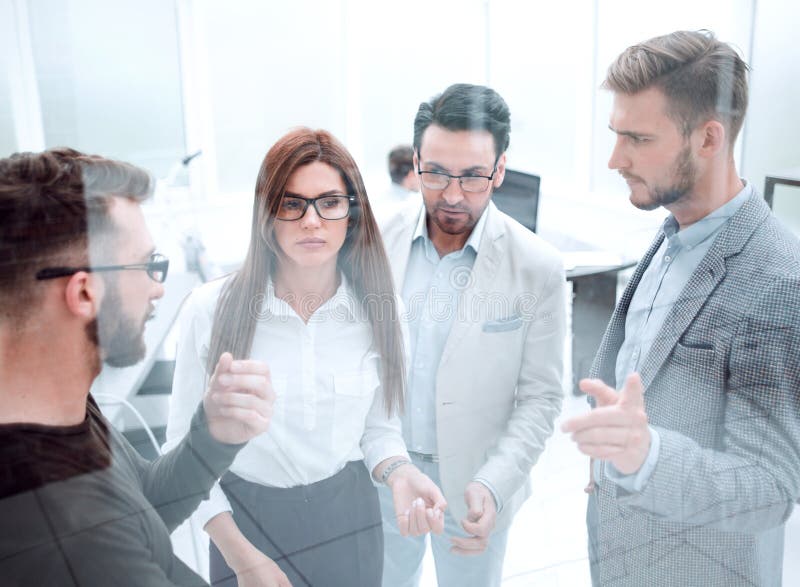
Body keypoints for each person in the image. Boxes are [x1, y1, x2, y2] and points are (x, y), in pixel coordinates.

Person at [561, 30, 800, 586]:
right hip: (622, 554)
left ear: (709, 139)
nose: (615, 159)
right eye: (616, 134)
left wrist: (645, 456)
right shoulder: (674, 232)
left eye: (638, 139)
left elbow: (769, 490)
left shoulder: (779, 280)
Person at [164, 128, 447, 587]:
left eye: (329, 202)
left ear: (352, 214)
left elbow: (378, 429)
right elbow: (182, 452)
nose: (311, 221)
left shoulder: (381, 309)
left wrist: (399, 473)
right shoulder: (210, 309)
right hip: (244, 529)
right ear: (266, 213)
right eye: (292, 204)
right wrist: (240, 557)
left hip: (349, 518)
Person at [0, 148, 275, 586]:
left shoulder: (58, 407)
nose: (156, 288)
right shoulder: (67, 534)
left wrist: (214, 436)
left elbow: (144, 503)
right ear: (85, 293)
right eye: (146, 266)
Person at [379, 83, 567, 586]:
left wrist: (496, 482)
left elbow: (541, 397)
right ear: (415, 162)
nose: (453, 195)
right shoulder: (378, 241)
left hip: (474, 485)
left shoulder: (538, 268)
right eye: (435, 173)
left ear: (500, 170)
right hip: (384, 473)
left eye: (474, 176)